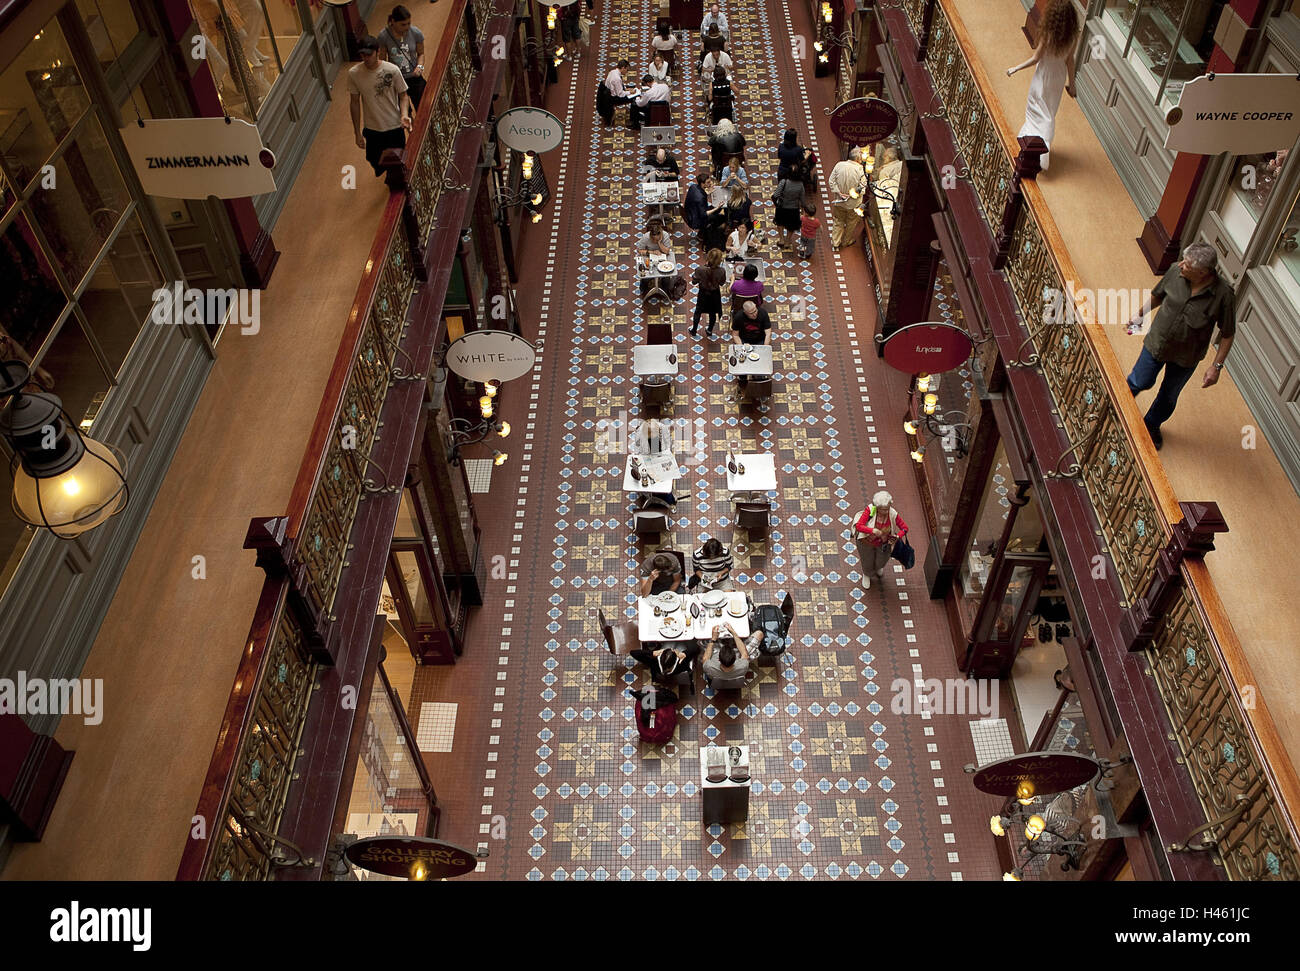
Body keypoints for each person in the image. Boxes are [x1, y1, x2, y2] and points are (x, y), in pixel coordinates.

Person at [1123, 241, 1236, 450]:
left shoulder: (1224, 296)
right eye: (1183, 260)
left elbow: (1228, 334)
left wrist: (1216, 367)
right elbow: (1158, 295)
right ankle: (1115, 407)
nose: (1181, 265)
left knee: (1168, 396)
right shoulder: (1175, 271)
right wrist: (1139, 315)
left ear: (1203, 273)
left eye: (1187, 265)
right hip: (1158, 341)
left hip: (1186, 356)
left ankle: (1151, 426)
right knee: (1139, 381)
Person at [1007, 0, 1079, 172]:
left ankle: (1033, 145)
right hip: (1058, 79)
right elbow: (1070, 61)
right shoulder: (1073, 37)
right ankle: (1041, 145)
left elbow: (1035, 59)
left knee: (1035, 110)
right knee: (1048, 112)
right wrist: (1072, 84)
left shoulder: (1048, 35)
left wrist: (1016, 68)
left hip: (1043, 77)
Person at [348, 36, 412, 178]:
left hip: (394, 126)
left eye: (369, 54)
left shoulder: (392, 70)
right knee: (375, 160)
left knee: (399, 161)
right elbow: (354, 103)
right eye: (362, 55)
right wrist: (357, 132)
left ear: (377, 52)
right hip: (373, 128)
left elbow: (403, 96)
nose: (366, 58)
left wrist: (404, 115)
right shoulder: (354, 74)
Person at [852, 490, 909, 590]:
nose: (886, 512)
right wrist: (872, 530)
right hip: (866, 542)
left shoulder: (892, 513)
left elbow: (904, 528)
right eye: (883, 509)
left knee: (882, 560)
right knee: (867, 561)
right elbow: (859, 526)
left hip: (884, 544)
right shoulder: (871, 510)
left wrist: (897, 536)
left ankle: (878, 567)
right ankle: (867, 574)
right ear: (877, 507)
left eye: (887, 508)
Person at [377, 5, 426, 109]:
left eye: (409, 23)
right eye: (403, 24)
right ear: (393, 22)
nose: (407, 27)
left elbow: (421, 54)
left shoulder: (416, 33)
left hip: (414, 76)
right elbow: (382, 60)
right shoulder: (384, 36)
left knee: (422, 106)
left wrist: (420, 66)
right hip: (396, 78)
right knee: (403, 112)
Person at [828, 146, 868, 248]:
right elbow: (863, 189)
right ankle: (846, 241)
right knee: (851, 223)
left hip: (839, 201)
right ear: (858, 159)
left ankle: (835, 242)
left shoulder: (839, 165)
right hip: (853, 204)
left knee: (838, 220)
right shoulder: (860, 170)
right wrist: (851, 194)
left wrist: (839, 193)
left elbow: (831, 181)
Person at [701, 624, 762, 689]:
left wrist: (713, 639)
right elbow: (744, 654)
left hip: (717, 683)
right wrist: (733, 632)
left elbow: (705, 658)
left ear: (719, 659)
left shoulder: (709, 667)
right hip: (737, 680)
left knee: (701, 642)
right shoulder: (743, 666)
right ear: (735, 658)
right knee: (759, 634)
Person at [691, 248, 727, 338]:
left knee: (698, 311)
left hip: (703, 294)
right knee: (712, 313)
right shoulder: (722, 271)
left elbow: (694, 282)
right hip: (715, 294)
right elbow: (722, 283)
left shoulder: (700, 269)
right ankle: (709, 330)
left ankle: (694, 330)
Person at [772, 164, 806, 249]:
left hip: (782, 207)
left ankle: (781, 239)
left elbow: (775, 195)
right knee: (791, 226)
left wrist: (777, 204)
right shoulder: (800, 185)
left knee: (780, 223)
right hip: (794, 209)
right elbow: (802, 199)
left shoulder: (783, 182)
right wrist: (802, 209)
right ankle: (787, 241)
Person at [631, 642, 701, 681]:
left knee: (670, 642)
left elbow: (633, 652)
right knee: (681, 643)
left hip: (664, 662)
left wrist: (652, 653)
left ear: (660, 656)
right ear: (677, 659)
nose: (672, 649)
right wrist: (684, 653)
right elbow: (697, 648)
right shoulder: (682, 663)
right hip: (680, 653)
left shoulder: (653, 660)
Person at [597, 59, 634, 127]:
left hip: (608, 94)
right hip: (613, 98)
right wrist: (630, 92)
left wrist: (626, 89)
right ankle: (633, 119)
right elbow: (620, 94)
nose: (627, 72)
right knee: (634, 98)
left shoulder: (612, 71)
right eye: (627, 70)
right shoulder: (617, 78)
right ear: (623, 68)